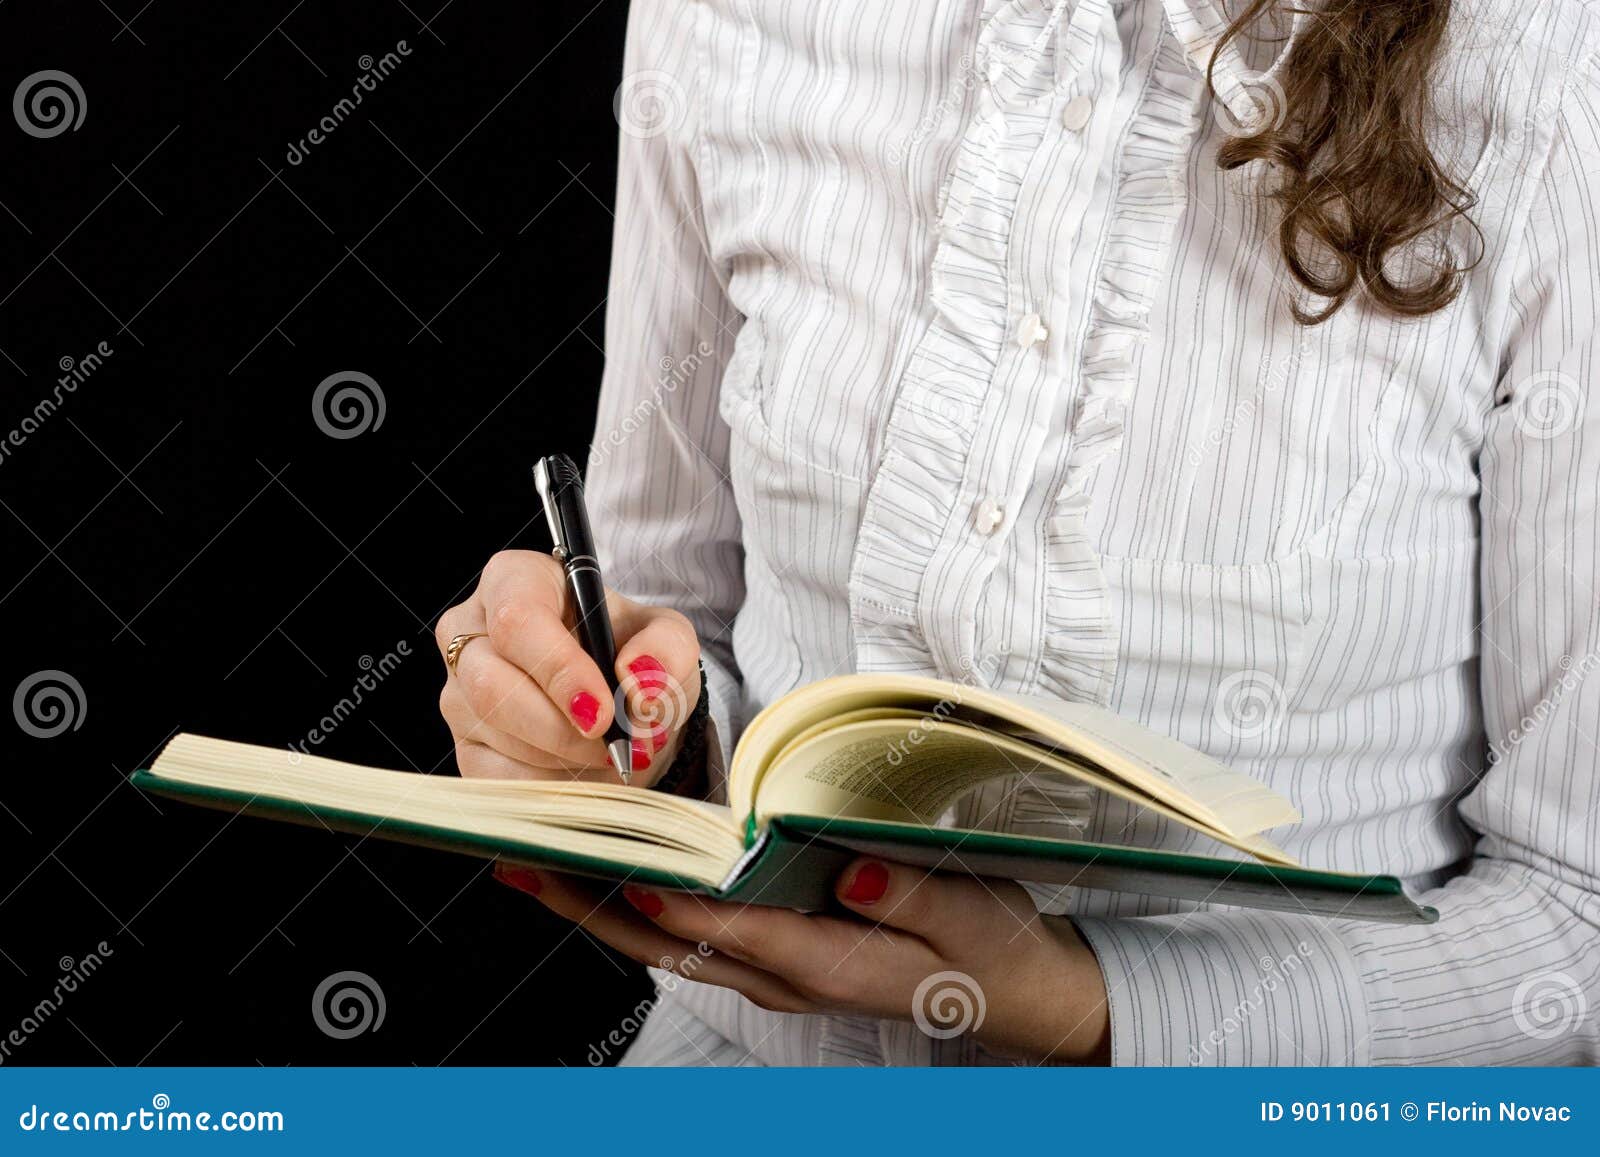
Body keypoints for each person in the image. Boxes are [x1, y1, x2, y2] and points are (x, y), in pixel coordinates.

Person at [434, 0, 1600, 1065]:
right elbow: (674, 612)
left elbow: (1578, 918)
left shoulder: (1556, 71)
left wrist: (1086, 1003)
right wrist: (603, 721)